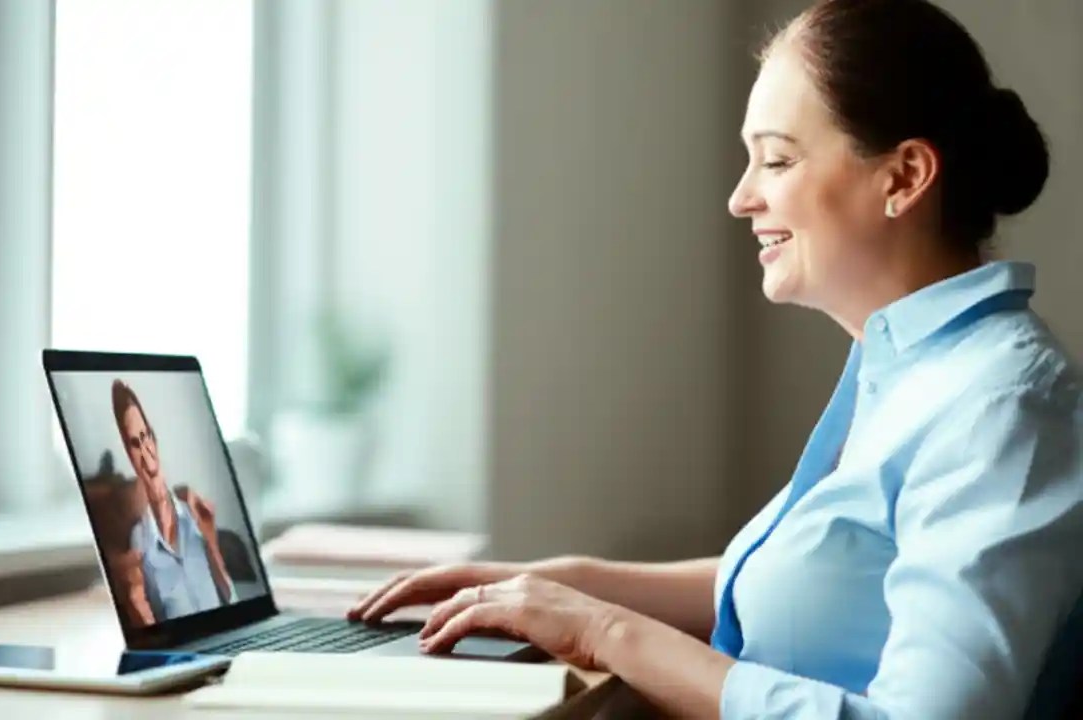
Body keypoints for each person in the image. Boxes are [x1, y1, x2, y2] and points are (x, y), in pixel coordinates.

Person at [348, 1, 1083, 717]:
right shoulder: (907, 367)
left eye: (777, 160)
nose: (740, 198)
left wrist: (604, 632)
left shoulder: (1002, 406)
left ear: (903, 177)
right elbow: (812, 583)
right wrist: (555, 585)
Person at [111, 379, 241, 623]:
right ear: (129, 455)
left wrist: (212, 544)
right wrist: (135, 602)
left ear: (155, 440)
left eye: (146, 437)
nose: (147, 456)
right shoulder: (139, 544)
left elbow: (231, 600)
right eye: (135, 444)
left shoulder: (195, 515)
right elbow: (153, 633)